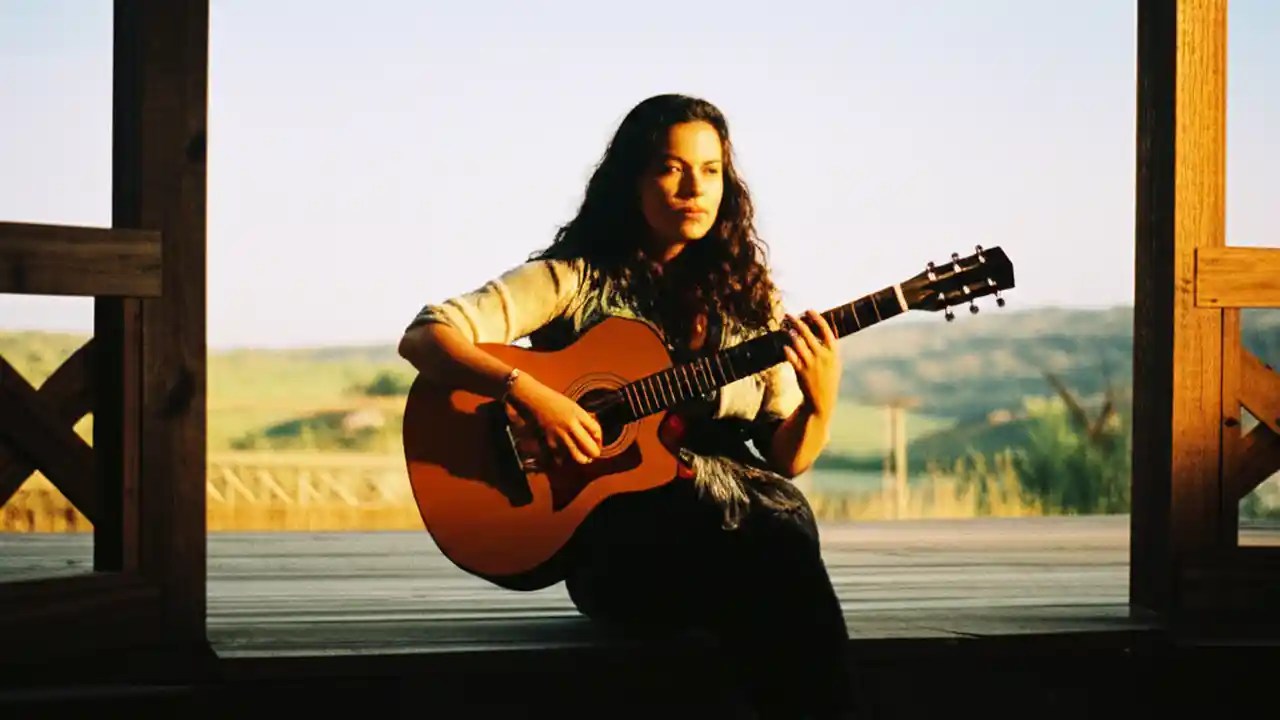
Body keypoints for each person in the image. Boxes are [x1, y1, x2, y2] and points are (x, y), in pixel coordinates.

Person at [398, 93, 855, 718]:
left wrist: (821, 402)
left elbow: (788, 459)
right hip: (617, 548)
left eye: (711, 170)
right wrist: (531, 397)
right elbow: (427, 335)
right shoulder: (574, 279)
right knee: (775, 561)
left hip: (740, 538)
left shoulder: (752, 304)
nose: (694, 187)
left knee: (775, 543)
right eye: (671, 168)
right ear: (632, 182)